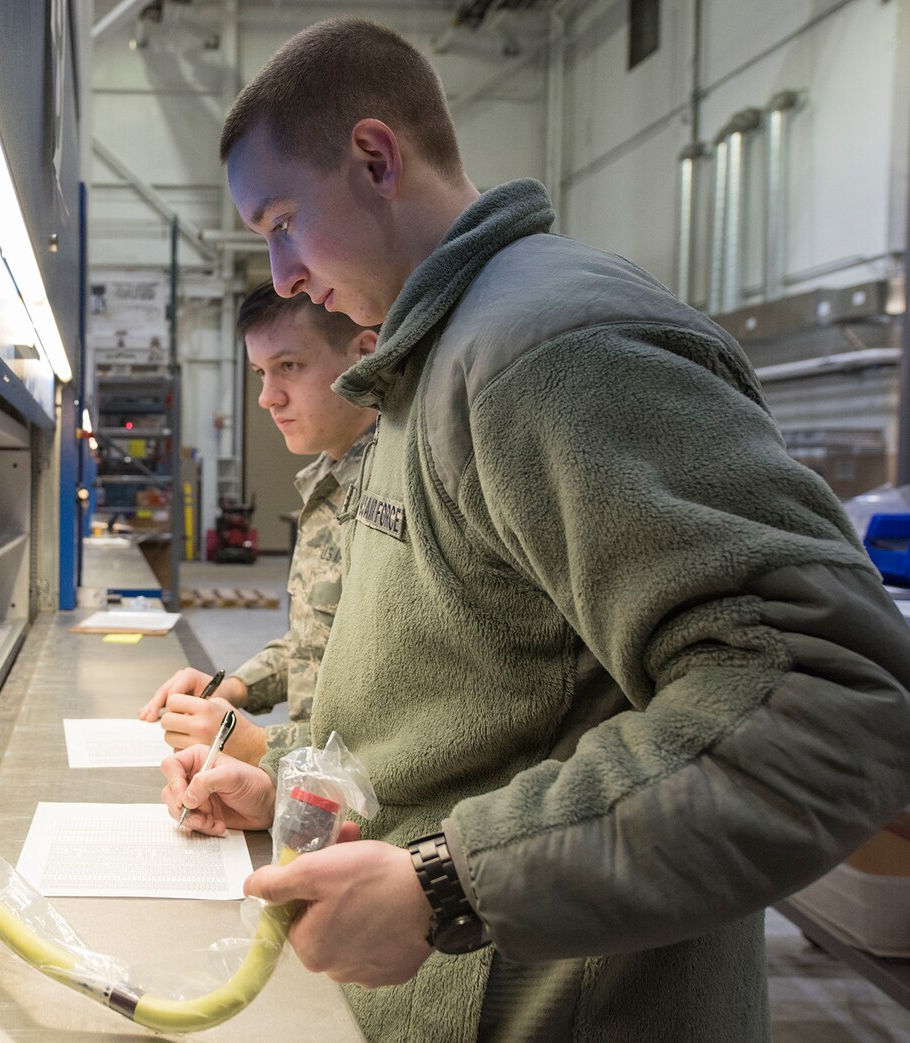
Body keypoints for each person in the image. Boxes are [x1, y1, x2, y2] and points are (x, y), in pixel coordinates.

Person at [160, 17, 910, 1043]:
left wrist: (449, 884)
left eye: (283, 220)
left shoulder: (549, 347)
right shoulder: (430, 368)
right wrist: (287, 785)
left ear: (375, 158)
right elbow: (468, 699)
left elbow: (831, 704)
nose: (283, 274)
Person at [138, 285, 377, 766]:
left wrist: (256, 747)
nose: (268, 397)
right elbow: (318, 646)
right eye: (260, 373)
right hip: (318, 793)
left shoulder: (396, 496)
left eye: (289, 366)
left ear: (365, 356)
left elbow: (402, 716)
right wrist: (233, 686)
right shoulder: (328, 484)